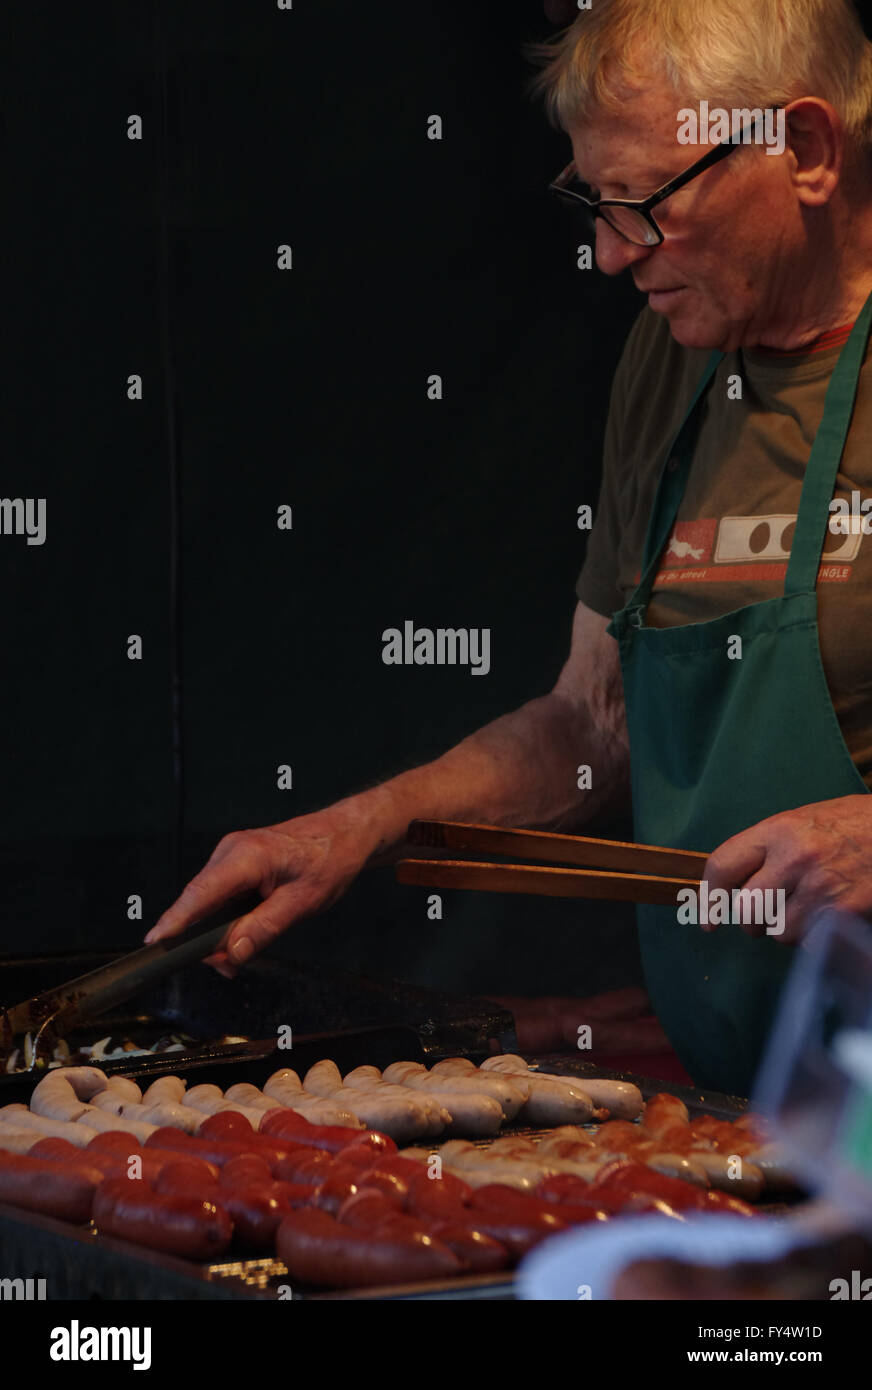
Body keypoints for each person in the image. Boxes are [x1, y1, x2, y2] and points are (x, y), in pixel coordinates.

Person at [146, 0, 872, 1097]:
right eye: (595, 201)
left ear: (805, 149)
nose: (608, 252)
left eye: (643, 203)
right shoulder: (670, 360)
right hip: (759, 1116)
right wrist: (357, 828)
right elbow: (592, 718)